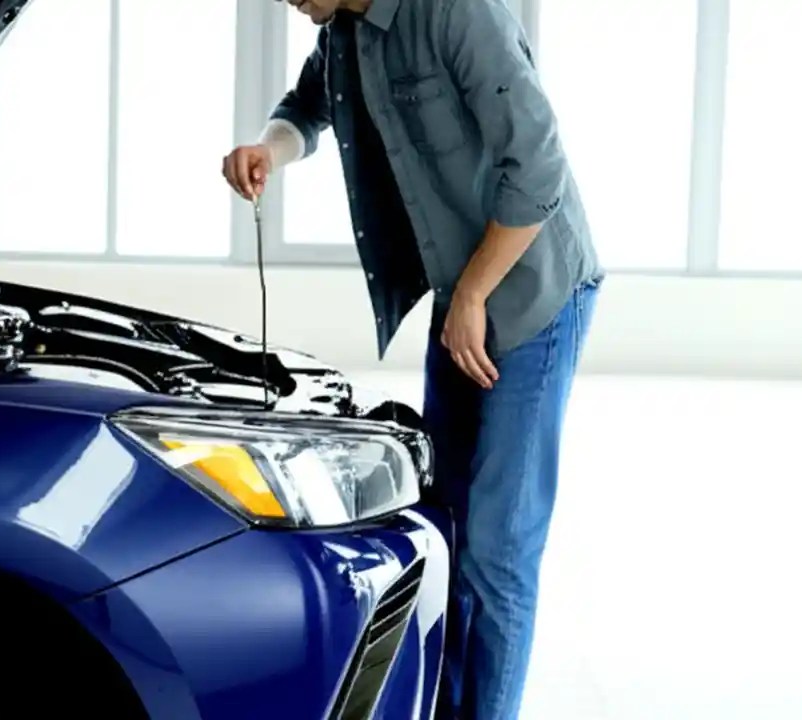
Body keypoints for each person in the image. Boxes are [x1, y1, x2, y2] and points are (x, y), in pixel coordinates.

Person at [222, 0, 603, 718]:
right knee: (447, 524)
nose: (285, 0)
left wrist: (473, 296)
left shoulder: (460, 13)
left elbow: (541, 166)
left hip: (531, 294)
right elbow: (306, 108)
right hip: (464, 292)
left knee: (499, 550)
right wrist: (268, 150)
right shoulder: (342, 31)